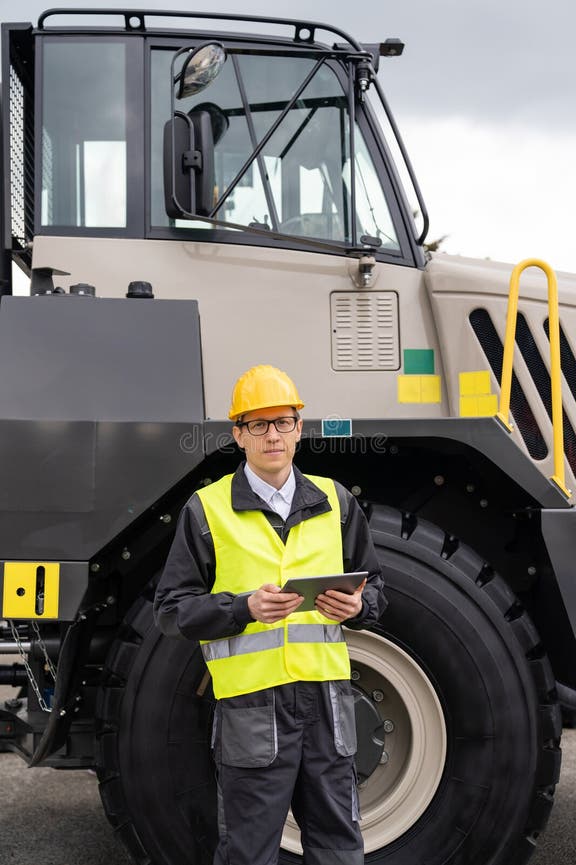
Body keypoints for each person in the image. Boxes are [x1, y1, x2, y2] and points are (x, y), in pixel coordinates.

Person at [154, 364, 387, 865]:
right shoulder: (206, 511)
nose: (272, 435)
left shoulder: (336, 502)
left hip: (327, 705)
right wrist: (243, 608)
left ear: (300, 429)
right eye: (257, 425)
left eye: (282, 422)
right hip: (252, 710)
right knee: (248, 852)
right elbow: (171, 612)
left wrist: (357, 606)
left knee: (339, 848)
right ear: (237, 434)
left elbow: (375, 588)